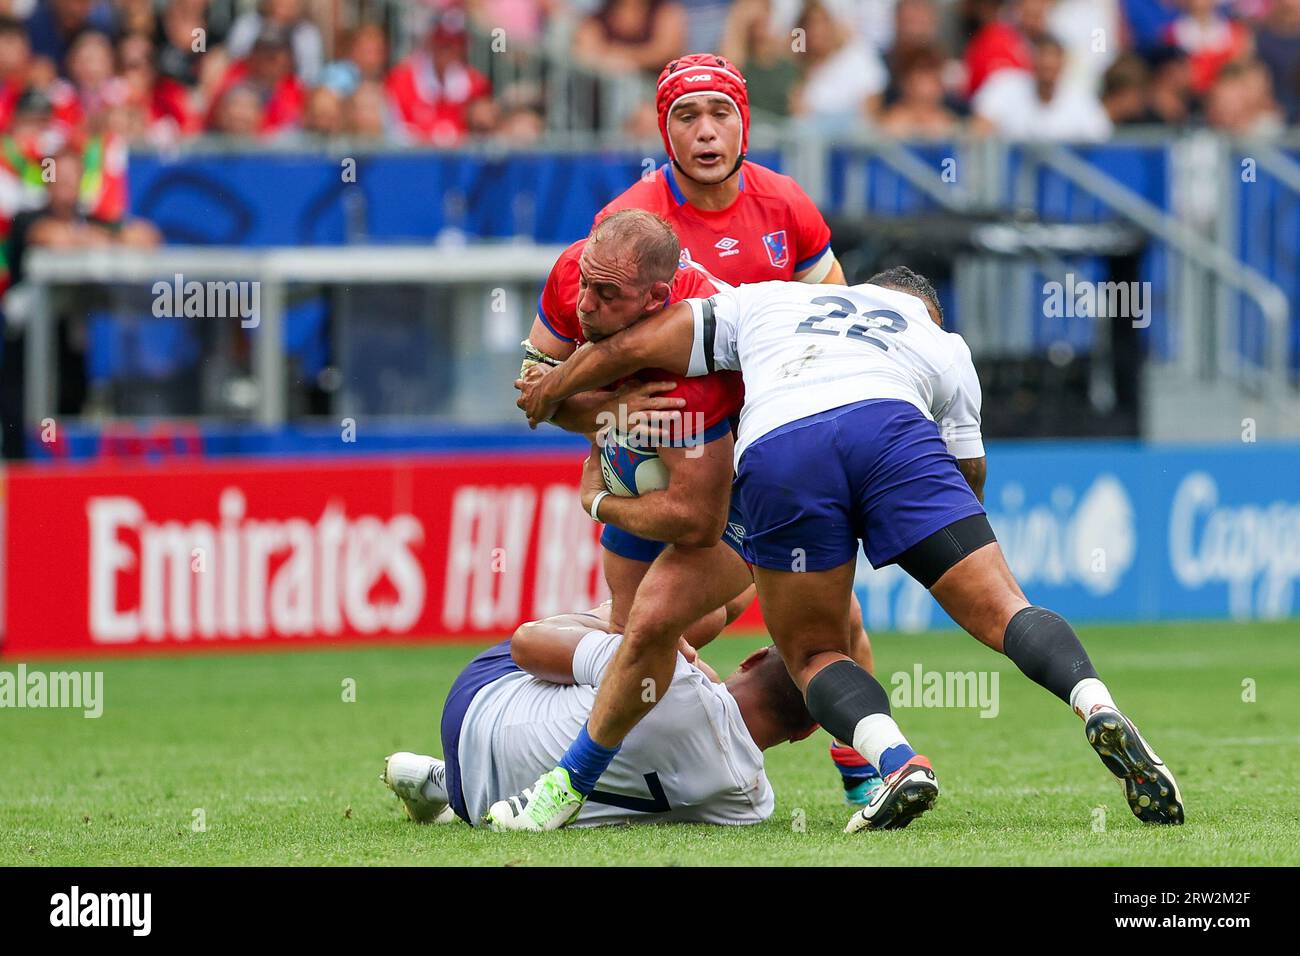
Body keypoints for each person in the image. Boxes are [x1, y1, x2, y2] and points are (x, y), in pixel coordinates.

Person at [506, 265, 1184, 833]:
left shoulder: (775, 296)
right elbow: (967, 478)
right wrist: (921, 534)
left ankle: (896, 764)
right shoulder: (940, 344)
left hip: (784, 446)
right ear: (925, 310)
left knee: (812, 652)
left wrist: (553, 387)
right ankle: (1096, 703)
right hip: (895, 433)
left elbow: (641, 342)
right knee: (1008, 611)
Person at [525, 55, 884, 804]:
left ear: (744, 121)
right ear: (666, 130)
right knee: (647, 634)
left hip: (768, 446)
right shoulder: (628, 227)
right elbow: (550, 386)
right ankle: (611, 765)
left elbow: (842, 329)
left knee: (834, 609)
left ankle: (867, 776)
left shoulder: (787, 207)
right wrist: (615, 418)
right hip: (666, 457)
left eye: (720, 113)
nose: (707, 131)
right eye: (687, 117)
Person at [381, 605, 817, 827]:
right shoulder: (752, 803)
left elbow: (526, 644)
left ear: (753, 658)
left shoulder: (666, 673)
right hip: (476, 803)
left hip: (476, 708)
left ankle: (441, 777)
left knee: (654, 610)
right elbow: (707, 725)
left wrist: (640, 631)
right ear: (803, 732)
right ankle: (440, 780)